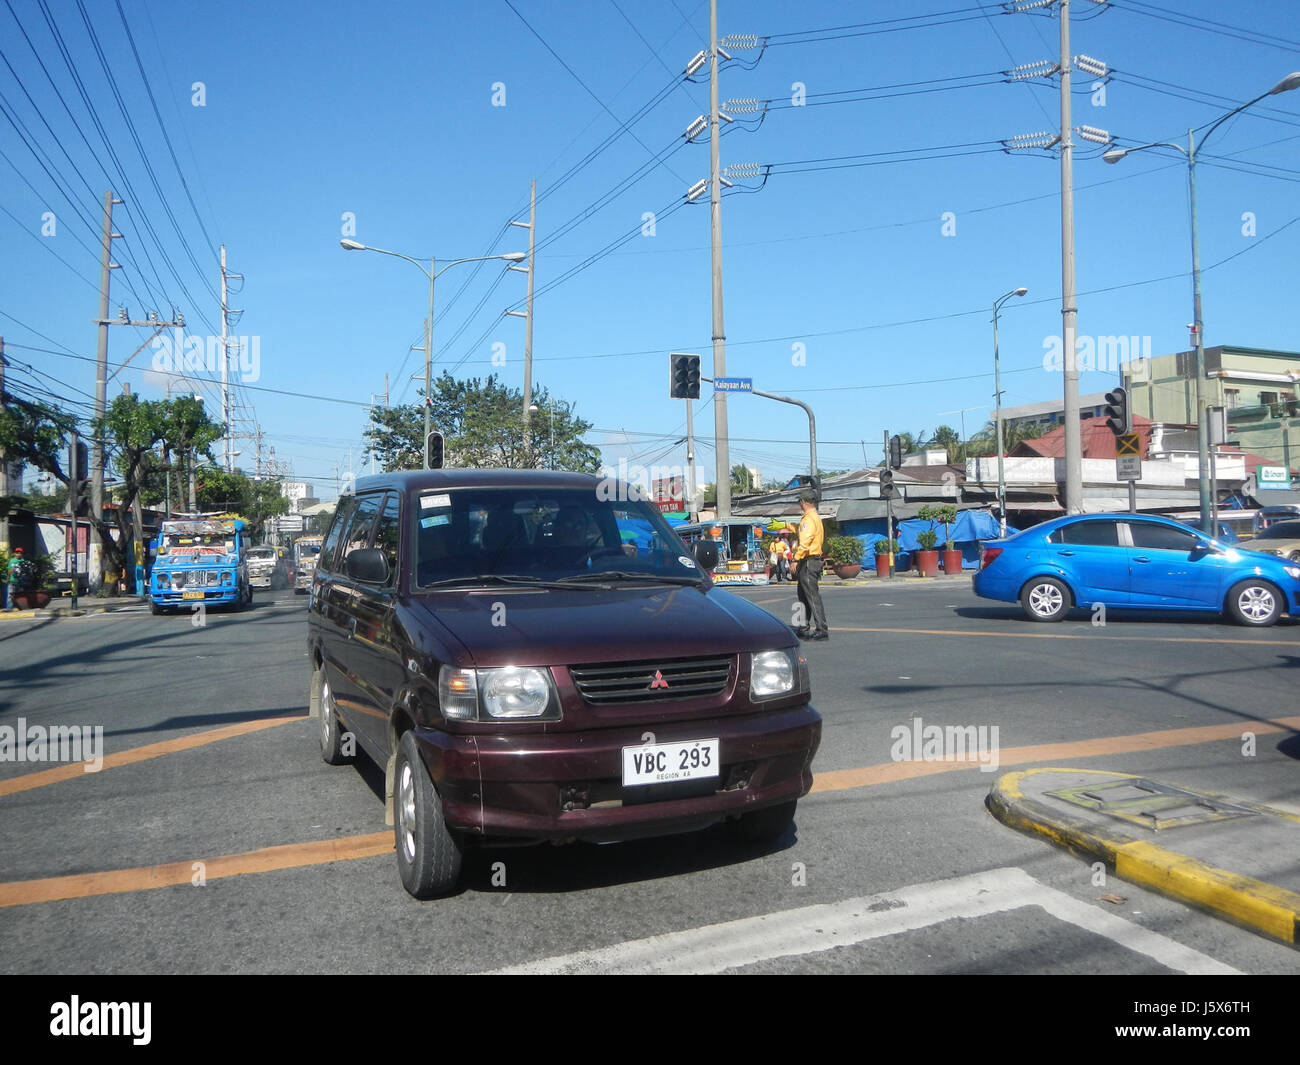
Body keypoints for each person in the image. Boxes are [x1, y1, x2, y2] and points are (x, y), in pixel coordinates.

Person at [790, 491, 828, 641]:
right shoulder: (814, 518)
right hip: (810, 560)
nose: (799, 504)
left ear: (803, 502)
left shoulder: (809, 519)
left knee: (811, 595)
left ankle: (821, 629)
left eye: (800, 501)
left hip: (808, 561)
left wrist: (795, 559)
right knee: (803, 595)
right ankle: (803, 626)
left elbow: (805, 542)